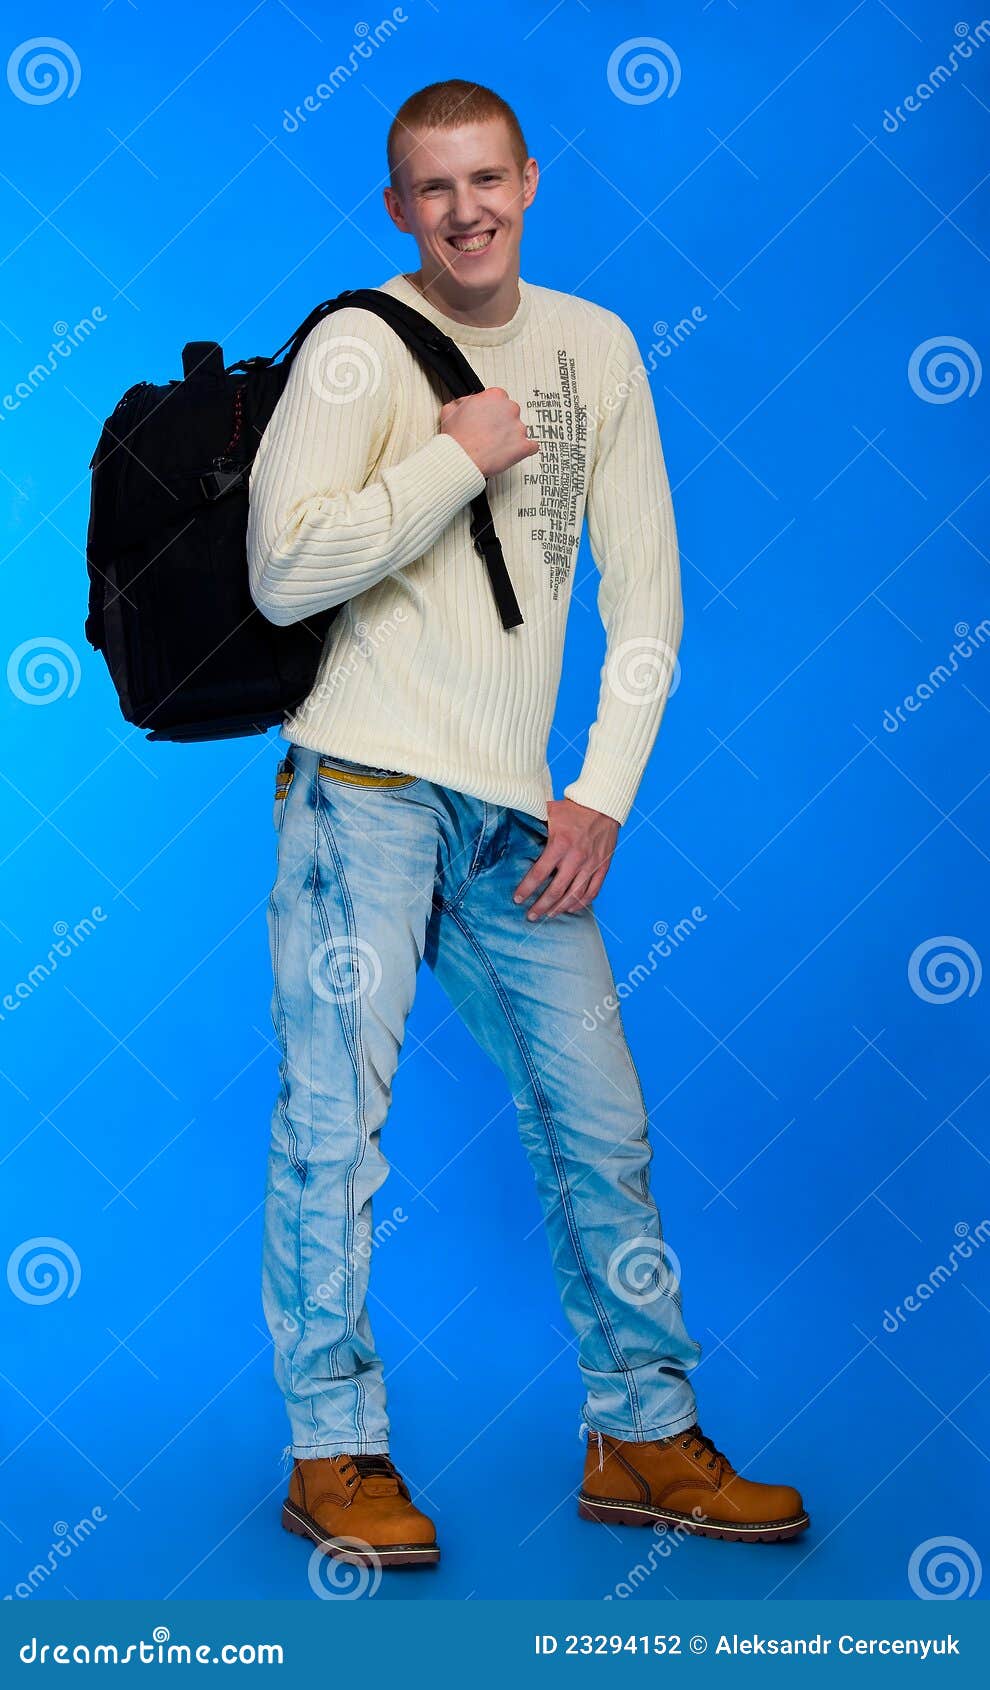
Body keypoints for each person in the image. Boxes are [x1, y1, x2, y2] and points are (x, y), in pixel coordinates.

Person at [246, 78, 809, 1570]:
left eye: (486, 179)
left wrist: (602, 787)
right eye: (431, 189)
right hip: (354, 795)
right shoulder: (358, 349)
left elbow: (649, 593)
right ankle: (333, 1448)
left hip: (511, 815)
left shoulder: (595, 346)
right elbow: (283, 574)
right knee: (331, 1134)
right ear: (396, 208)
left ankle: (638, 1430)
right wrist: (455, 455)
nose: (464, 210)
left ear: (530, 180)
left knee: (598, 1119)